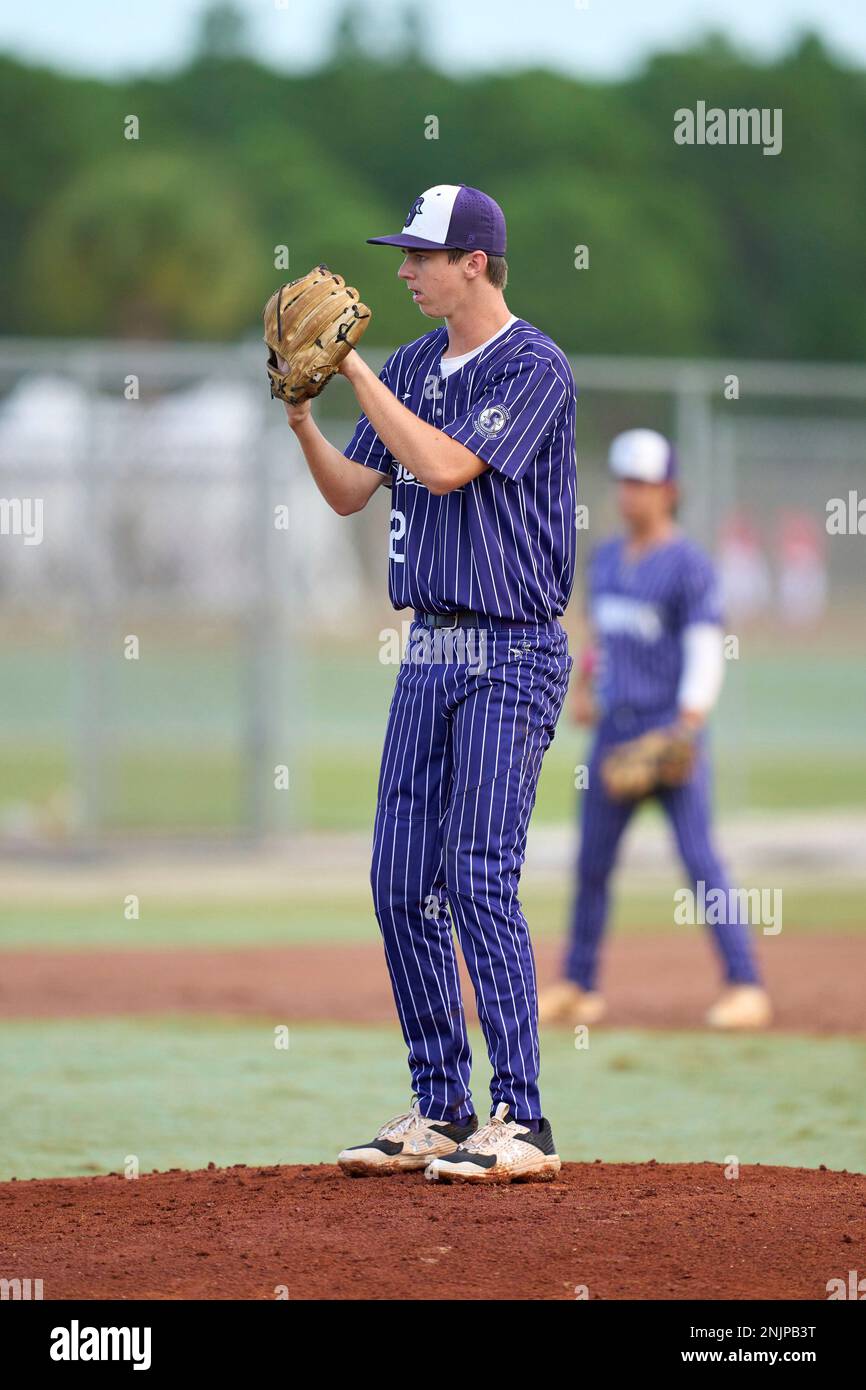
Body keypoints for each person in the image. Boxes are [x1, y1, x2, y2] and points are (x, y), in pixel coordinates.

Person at [280, 184, 577, 1181]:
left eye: (421, 255)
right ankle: (441, 1108)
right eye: (403, 256)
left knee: (477, 874)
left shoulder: (532, 364)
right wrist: (299, 415)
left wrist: (352, 365)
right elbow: (348, 494)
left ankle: (521, 1119)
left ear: (475, 264)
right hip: (429, 648)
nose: (402, 271)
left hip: (511, 647)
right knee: (400, 880)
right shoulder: (407, 363)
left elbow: (446, 466)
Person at [539, 429, 772, 1032]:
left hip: (671, 734)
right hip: (614, 735)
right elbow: (600, 639)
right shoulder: (608, 559)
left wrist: (688, 723)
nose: (630, 494)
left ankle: (745, 985)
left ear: (669, 489)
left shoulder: (688, 566)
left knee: (700, 862)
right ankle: (580, 984)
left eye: (642, 482)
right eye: (624, 482)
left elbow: (705, 648)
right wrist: (586, 688)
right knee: (591, 863)